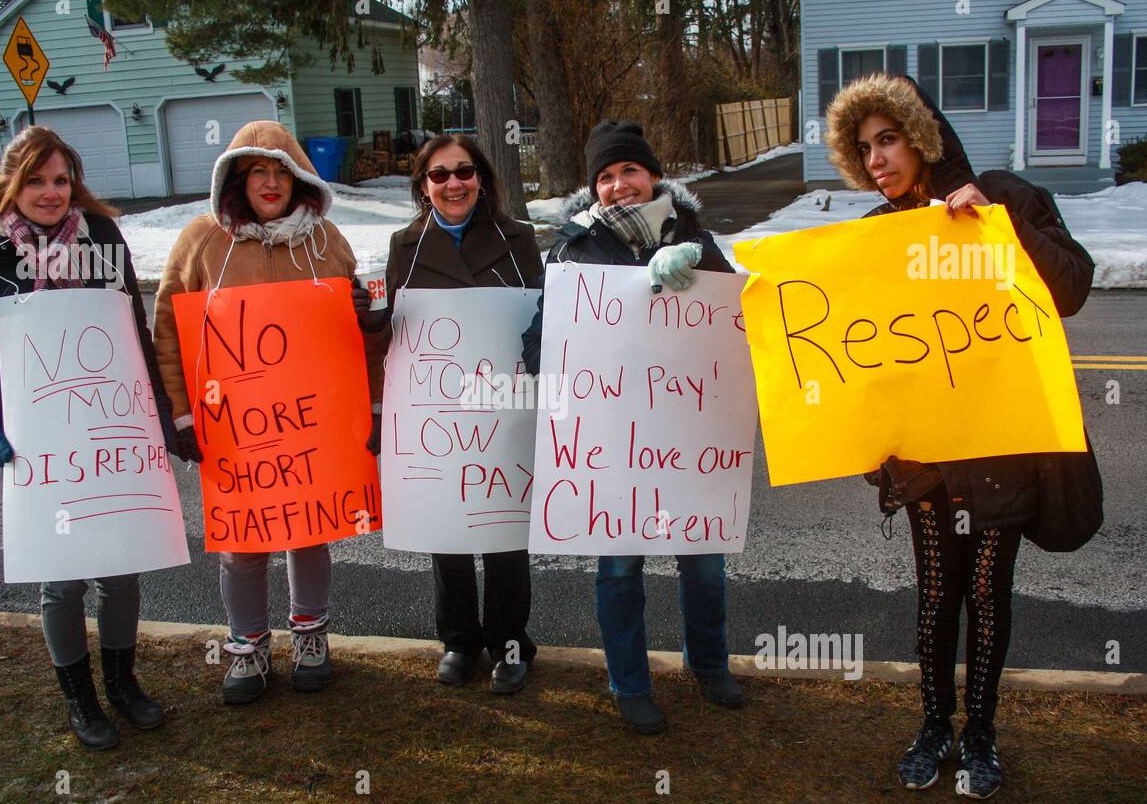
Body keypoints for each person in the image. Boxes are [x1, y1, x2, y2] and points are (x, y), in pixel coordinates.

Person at [825, 73, 1094, 798]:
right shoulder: (876, 237)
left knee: (987, 588)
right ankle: (934, 726)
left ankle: (981, 733)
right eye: (863, 147)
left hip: (1002, 446)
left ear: (922, 136)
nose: (877, 158)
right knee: (939, 590)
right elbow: (851, 348)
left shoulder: (1004, 195)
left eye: (889, 139)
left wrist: (1006, 222)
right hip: (927, 459)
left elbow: (1072, 287)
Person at [0, 125, 173, 750]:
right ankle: (80, 699)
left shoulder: (102, 238)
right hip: (42, 438)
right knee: (64, 577)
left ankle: (123, 684)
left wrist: (154, 412)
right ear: (11, 185)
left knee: (122, 567)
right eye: (36, 180)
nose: (51, 193)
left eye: (61, 179)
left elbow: (133, 328)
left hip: (110, 426)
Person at [521, 119, 740, 734]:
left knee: (703, 561)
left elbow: (734, 320)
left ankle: (710, 664)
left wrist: (694, 270)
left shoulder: (696, 236)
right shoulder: (573, 248)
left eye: (630, 172)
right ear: (594, 188)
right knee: (619, 565)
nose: (620, 185)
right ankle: (629, 682)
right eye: (606, 176)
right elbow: (539, 344)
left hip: (689, 434)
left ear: (653, 176)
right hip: (613, 444)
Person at [153, 121, 383, 704]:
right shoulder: (202, 240)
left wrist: (370, 388)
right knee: (243, 543)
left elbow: (359, 335)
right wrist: (180, 415)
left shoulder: (326, 240)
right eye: (259, 170)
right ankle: (248, 645)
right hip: (232, 423)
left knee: (310, 533)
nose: (272, 181)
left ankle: (310, 634)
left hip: (312, 425)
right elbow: (169, 333)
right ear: (237, 177)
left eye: (282, 170)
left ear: (300, 176)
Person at [380, 133, 542, 694]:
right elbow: (397, 329)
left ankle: (511, 643)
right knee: (444, 527)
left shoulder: (518, 238)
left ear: (482, 178)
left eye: (464, 172)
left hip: (504, 402)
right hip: (439, 412)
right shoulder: (406, 244)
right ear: (424, 186)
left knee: (504, 532)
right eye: (440, 174)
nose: (454, 183)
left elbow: (542, 317)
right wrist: (368, 315)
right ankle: (458, 640)